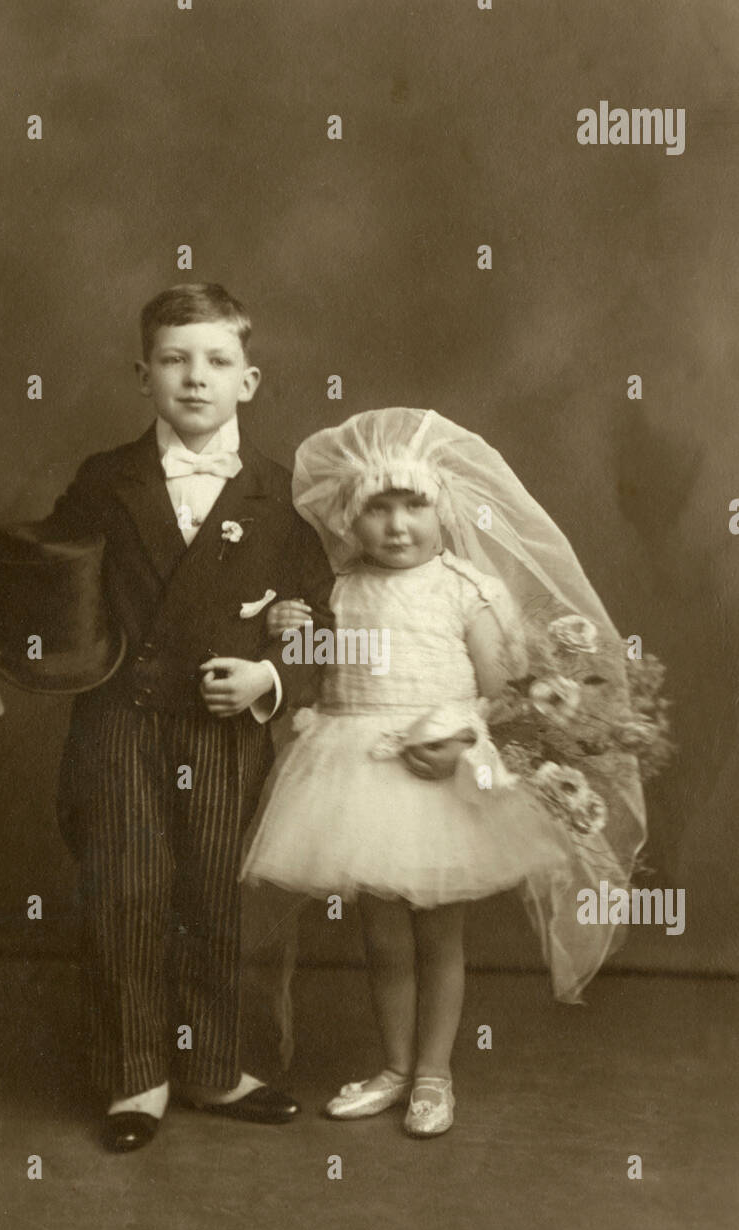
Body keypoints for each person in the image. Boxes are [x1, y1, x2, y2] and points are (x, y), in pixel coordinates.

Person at [0, 283, 333, 1152]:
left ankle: (214, 1067)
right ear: (142, 373)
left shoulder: (278, 494)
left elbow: (324, 625)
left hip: (226, 736)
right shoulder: (104, 480)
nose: (195, 379)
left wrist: (268, 676)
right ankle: (135, 1078)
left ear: (249, 381)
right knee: (125, 893)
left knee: (215, 898)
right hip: (120, 724)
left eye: (216, 362)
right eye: (173, 360)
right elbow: (38, 568)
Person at [241, 408, 646, 1137]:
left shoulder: (465, 588)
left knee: (438, 937)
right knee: (383, 939)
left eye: (413, 505)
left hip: (444, 772)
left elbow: (503, 696)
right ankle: (393, 1067)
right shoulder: (334, 591)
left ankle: (433, 1074)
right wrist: (287, 635)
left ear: (441, 508)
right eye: (377, 508)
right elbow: (303, 679)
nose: (397, 526)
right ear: (346, 519)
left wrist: (461, 742)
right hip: (353, 774)